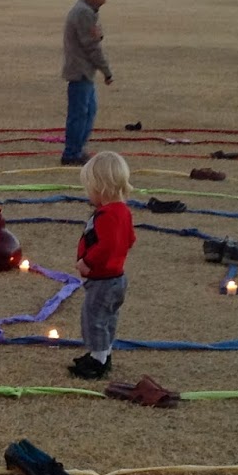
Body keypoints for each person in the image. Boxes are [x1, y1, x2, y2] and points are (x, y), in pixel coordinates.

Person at [69, 151, 135, 380]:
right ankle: (103, 354)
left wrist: (87, 262)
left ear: (100, 187)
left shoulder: (107, 214)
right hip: (117, 278)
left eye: (89, 188)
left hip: (103, 280)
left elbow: (107, 245)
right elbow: (130, 239)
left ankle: (97, 362)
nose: (87, 193)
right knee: (108, 318)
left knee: (94, 318)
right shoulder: (123, 211)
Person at [60, 0, 113, 166]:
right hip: (80, 71)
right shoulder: (84, 12)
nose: (104, 1)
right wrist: (107, 71)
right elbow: (92, 46)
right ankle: (72, 153)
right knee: (80, 114)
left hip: (84, 72)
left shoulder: (87, 11)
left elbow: (96, 35)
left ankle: (78, 150)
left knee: (88, 112)